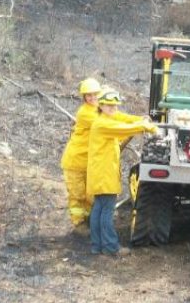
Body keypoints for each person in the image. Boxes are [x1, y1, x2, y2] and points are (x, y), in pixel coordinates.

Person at [60, 78, 142, 229]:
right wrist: (139, 126)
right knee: (77, 195)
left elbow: (118, 116)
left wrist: (139, 119)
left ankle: (90, 223)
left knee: (91, 195)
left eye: (94, 94)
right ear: (83, 97)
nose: (92, 98)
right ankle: (79, 225)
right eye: (88, 95)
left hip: (91, 162)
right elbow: (111, 125)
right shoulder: (85, 113)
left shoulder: (99, 108)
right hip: (76, 161)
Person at [86, 89, 158, 256]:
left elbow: (124, 119)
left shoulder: (105, 118)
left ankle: (97, 246)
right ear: (101, 105)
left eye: (115, 105)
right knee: (106, 209)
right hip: (104, 174)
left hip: (101, 172)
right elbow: (124, 128)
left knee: (99, 207)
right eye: (109, 105)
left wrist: (140, 119)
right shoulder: (104, 124)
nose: (113, 108)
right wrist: (147, 126)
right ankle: (111, 247)